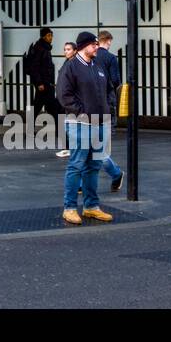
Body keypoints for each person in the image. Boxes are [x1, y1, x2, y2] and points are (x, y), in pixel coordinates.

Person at [56, 31, 114, 226]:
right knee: (76, 165)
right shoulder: (70, 67)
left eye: (97, 44)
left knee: (94, 166)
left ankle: (91, 206)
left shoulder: (97, 66)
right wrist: (82, 112)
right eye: (93, 45)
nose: (97, 47)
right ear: (83, 47)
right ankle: (69, 208)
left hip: (99, 123)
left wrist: (108, 108)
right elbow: (64, 95)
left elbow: (108, 90)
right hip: (80, 124)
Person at [94, 30, 125, 192]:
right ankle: (115, 173)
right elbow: (116, 80)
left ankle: (81, 184)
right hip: (107, 102)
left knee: (90, 148)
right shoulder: (111, 58)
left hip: (90, 104)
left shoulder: (89, 57)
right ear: (109, 40)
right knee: (101, 147)